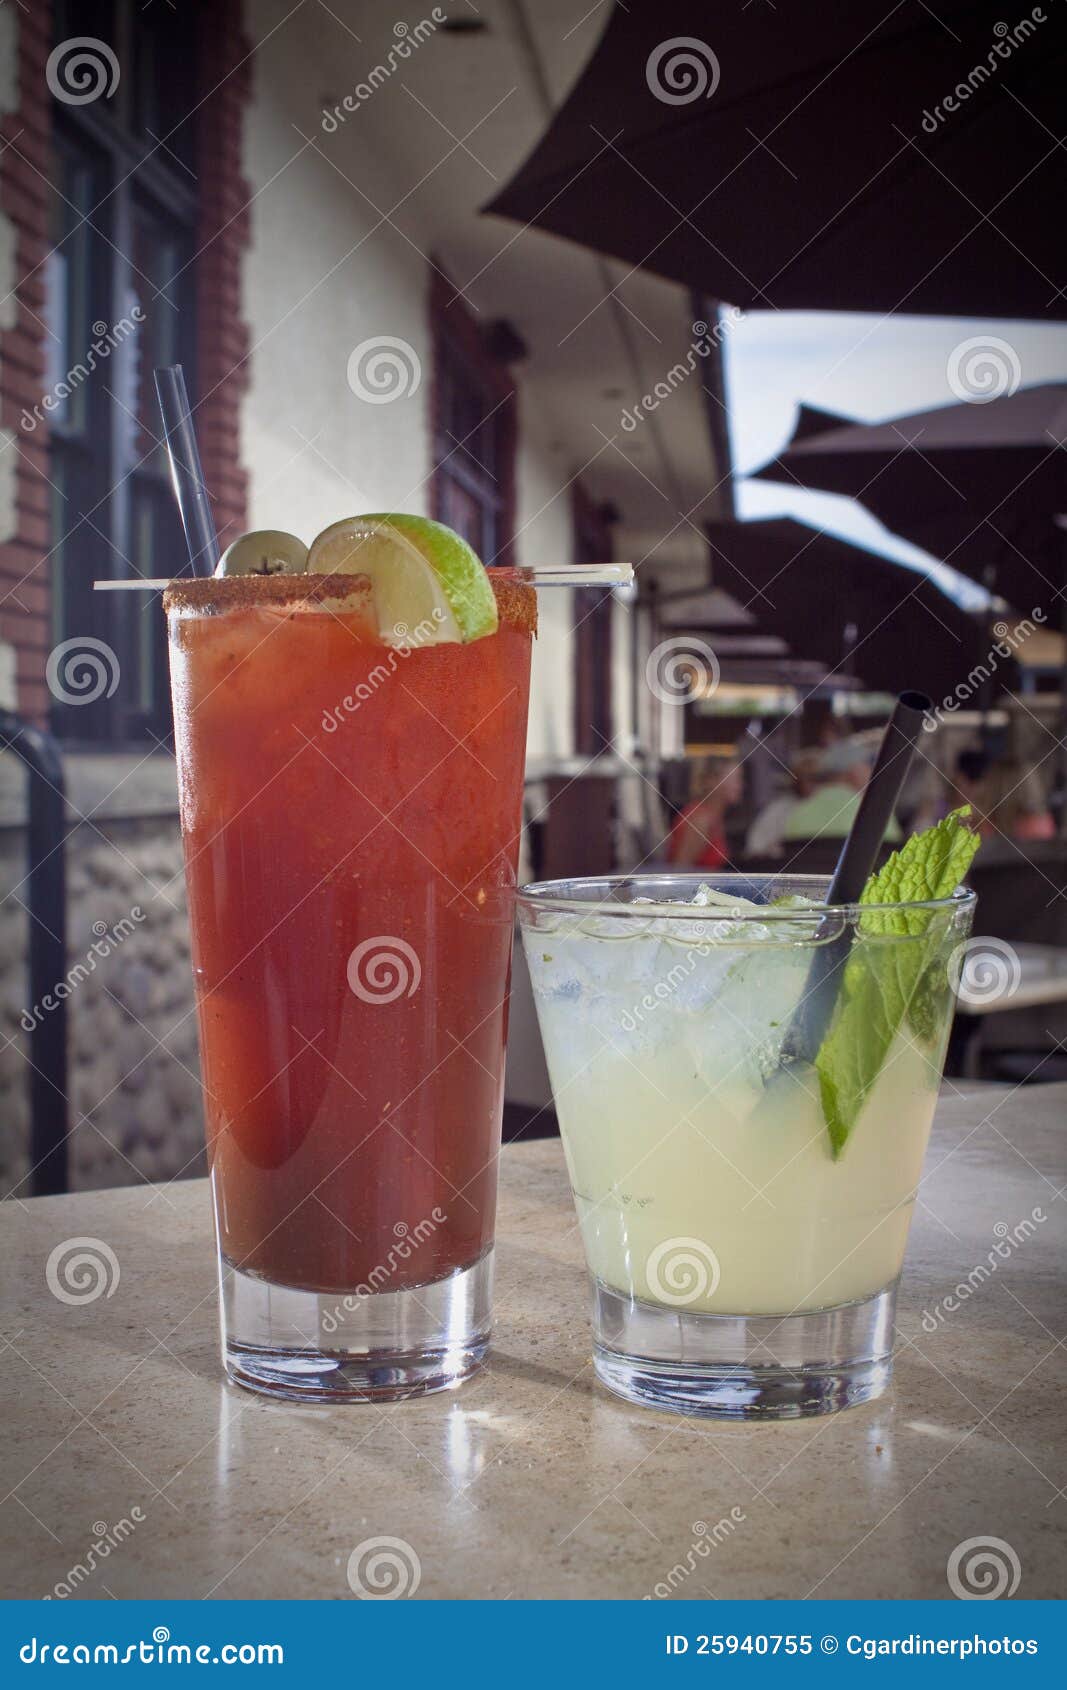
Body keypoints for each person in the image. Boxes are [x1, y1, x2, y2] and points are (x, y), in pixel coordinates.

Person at [783, 735, 903, 843]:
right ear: (854, 772)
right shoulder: (878, 815)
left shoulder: (796, 815)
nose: (872, 772)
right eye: (869, 765)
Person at [666, 754, 743, 869]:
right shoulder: (701, 820)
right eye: (736, 779)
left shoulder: (714, 818)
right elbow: (679, 871)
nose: (740, 786)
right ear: (712, 781)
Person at [744, 747, 821, 859]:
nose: (812, 784)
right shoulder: (778, 809)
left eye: (816, 779)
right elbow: (754, 848)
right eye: (806, 778)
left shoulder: (829, 810)